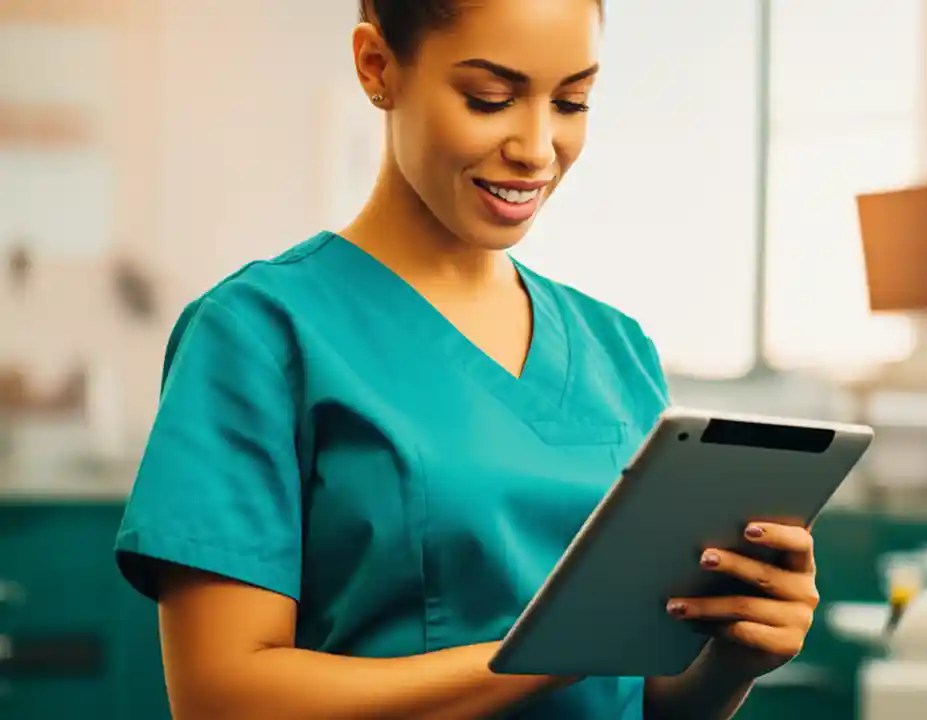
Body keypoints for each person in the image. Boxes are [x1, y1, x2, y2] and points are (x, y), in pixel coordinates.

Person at [113, 0, 822, 717]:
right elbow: (223, 699)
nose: (538, 148)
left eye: (572, 101)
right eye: (491, 99)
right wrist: (542, 653)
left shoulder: (619, 349)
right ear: (378, 67)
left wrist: (729, 663)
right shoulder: (258, 335)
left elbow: (637, 701)